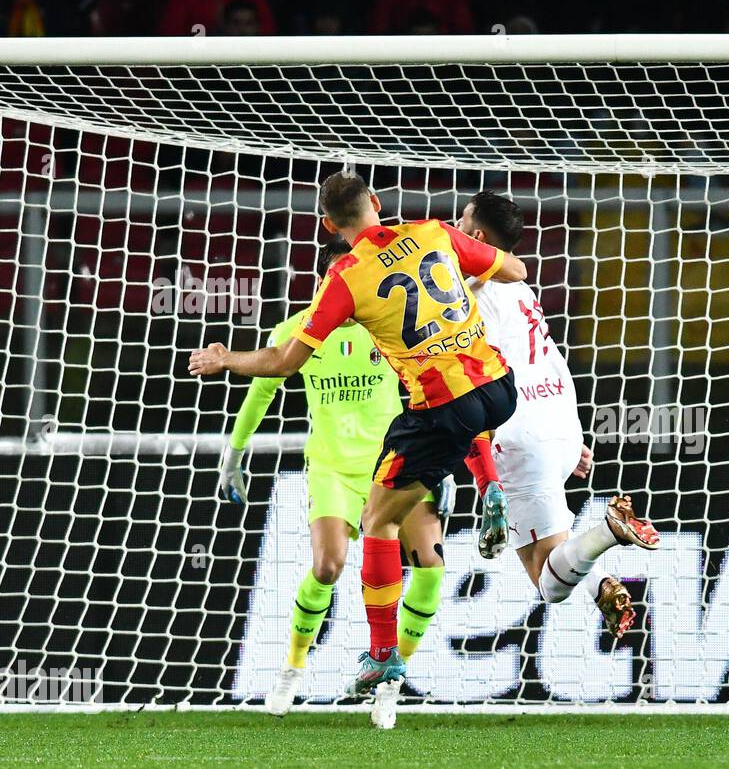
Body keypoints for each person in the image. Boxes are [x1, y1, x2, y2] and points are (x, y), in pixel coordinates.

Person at [191, 171, 526, 728]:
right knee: (452, 430)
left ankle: (382, 657)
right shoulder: (433, 231)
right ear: (376, 202)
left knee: (377, 522)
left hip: (440, 407)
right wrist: (463, 279)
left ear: (329, 225)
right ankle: (488, 484)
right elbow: (512, 268)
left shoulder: (346, 278)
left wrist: (226, 358)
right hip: (499, 388)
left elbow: (282, 363)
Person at [217, 236, 450, 719]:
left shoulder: (387, 327)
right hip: (331, 469)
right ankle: (292, 669)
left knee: (430, 564)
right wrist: (234, 453)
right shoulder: (299, 331)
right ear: (323, 284)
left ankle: (391, 681)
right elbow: (260, 394)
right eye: (332, 281)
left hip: (393, 465)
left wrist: (443, 462)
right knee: (328, 567)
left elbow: (431, 383)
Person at [456, 191, 660, 636]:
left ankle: (608, 531)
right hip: (559, 425)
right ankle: (601, 586)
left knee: (547, 583)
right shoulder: (522, 290)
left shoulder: (466, 296)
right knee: (553, 554)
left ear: (475, 236)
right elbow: (549, 359)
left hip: (520, 437)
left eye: (460, 221)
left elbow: (476, 378)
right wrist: (573, 437)